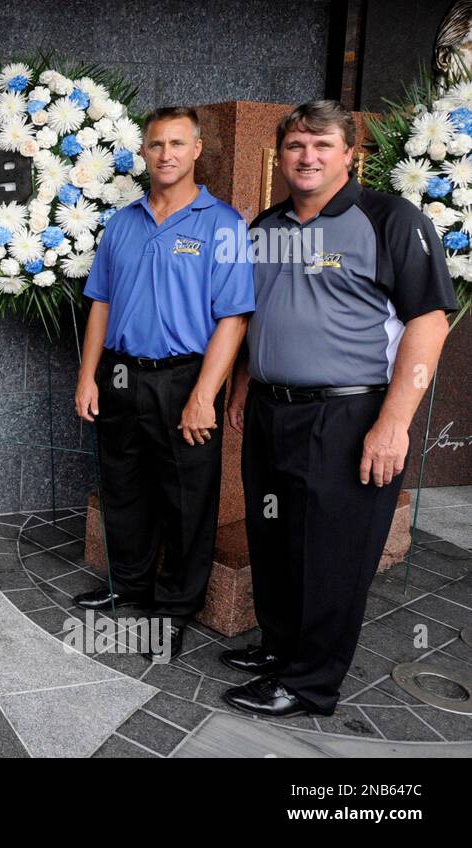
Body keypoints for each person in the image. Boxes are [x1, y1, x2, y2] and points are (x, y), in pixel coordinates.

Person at [222, 100, 457, 717]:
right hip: (272, 409)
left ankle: (309, 683)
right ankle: (280, 649)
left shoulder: (391, 219)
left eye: (322, 145)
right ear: (281, 154)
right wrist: (244, 385)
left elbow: (428, 323)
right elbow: (257, 316)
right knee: (274, 537)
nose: (308, 157)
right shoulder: (266, 226)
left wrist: (393, 424)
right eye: (296, 145)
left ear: (350, 155)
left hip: (349, 416)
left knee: (331, 554)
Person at [74, 106, 255, 662]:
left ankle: (174, 610)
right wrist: (87, 377)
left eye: (177, 143)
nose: (166, 154)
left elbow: (234, 317)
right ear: (144, 153)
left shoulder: (223, 224)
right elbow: (101, 303)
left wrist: (204, 396)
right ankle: (129, 585)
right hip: (121, 375)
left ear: (196, 149)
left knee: (185, 500)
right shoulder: (122, 222)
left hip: (185, 379)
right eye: (156, 144)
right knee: (124, 486)